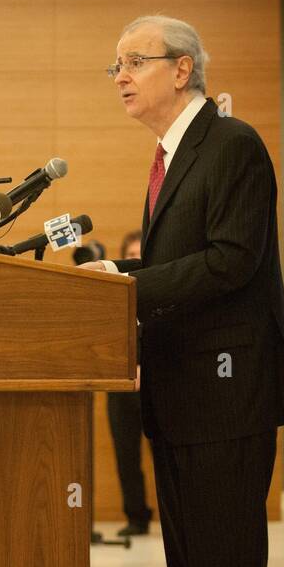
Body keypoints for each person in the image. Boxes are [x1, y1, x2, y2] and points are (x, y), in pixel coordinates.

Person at [81, 15, 284, 567]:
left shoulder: (232, 145)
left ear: (182, 70)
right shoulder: (171, 155)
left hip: (226, 393)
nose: (120, 76)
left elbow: (231, 263)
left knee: (228, 566)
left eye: (133, 62)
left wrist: (124, 284)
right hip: (181, 396)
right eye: (114, 64)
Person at [105, 230, 153, 536]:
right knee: (126, 455)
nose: (135, 259)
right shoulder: (113, 298)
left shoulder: (162, 295)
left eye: (140, 255)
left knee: (164, 454)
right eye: (130, 255)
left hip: (155, 385)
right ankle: (136, 517)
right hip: (120, 389)